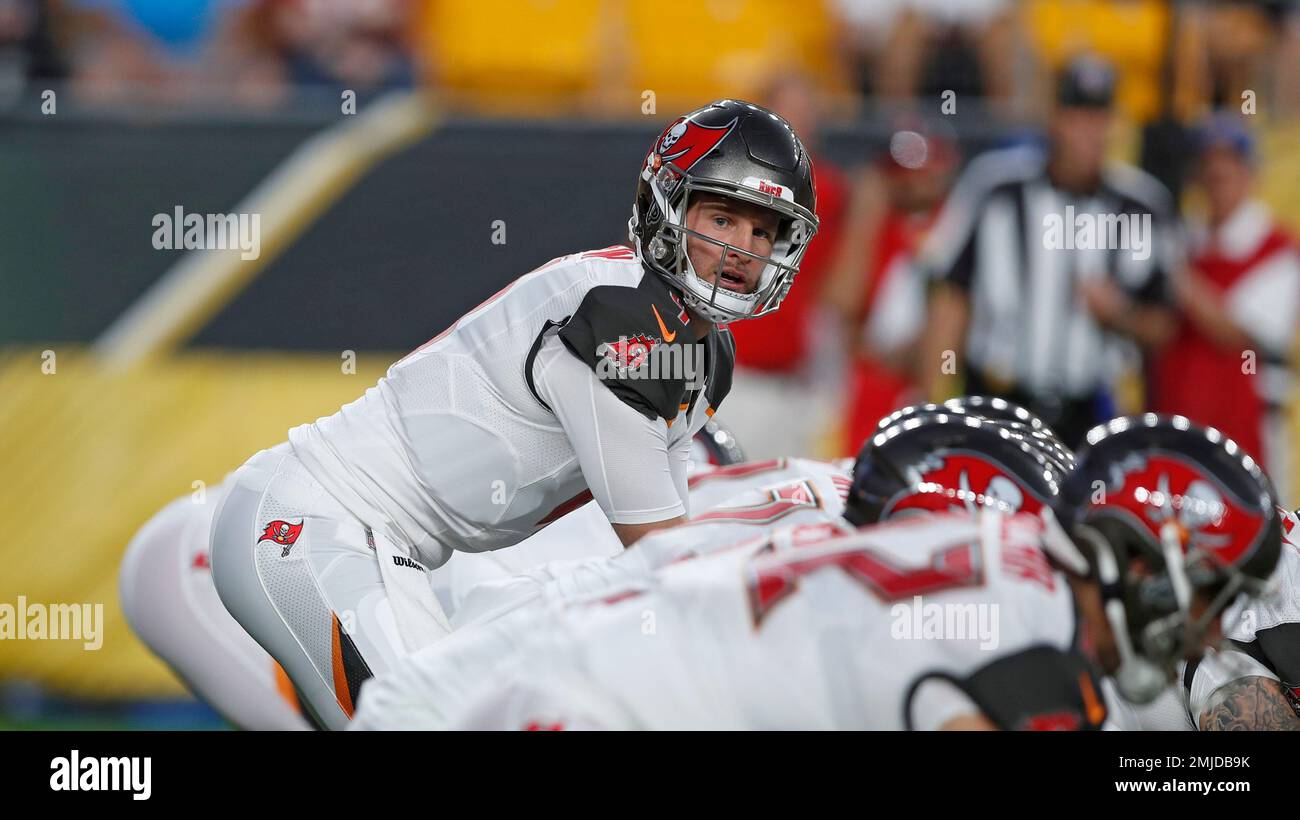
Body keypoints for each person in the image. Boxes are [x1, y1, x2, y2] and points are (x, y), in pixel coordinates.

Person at [208, 99, 819, 729]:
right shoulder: (624, 314)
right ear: (668, 205)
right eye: (723, 219)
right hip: (317, 522)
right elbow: (664, 554)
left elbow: (675, 543)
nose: (744, 249)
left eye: (764, 230)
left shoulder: (703, 345)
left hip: (387, 544)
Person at [351, 415, 1280, 730]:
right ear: (1153, 560)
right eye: (1207, 598)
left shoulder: (998, 571)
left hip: (529, 677)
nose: (1205, 631)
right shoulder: (1027, 633)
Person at [917, 55, 1179, 446]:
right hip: (997, 399)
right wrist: (930, 401)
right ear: (1053, 118)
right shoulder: (996, 189)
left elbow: (1164, 324)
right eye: (1077, 117)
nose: (1088, 132)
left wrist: (1120, 312)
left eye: (1098, 118)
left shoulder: (1141, 205)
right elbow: (951, 298)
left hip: (1094, 412)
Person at [1152, 114, 1300, 502]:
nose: (1217, 182)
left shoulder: (1275, 249)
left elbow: (1236, 331)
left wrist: (1175, 273)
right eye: (1209, 171)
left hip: (1245, 436)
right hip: (1180, 425)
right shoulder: (1189, 238)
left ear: (1249, 176)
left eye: (1227, 171)